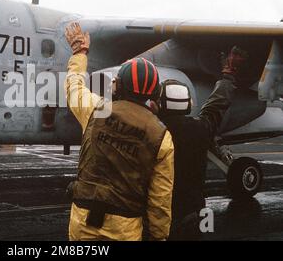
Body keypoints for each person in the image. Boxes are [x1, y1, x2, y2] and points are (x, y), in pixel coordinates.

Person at [65, 22, 174, 241]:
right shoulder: (161, 136)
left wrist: (80, 53)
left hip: (82, 221)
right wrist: (159, 234)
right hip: (124, 228)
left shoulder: (97, 110)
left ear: (119, 86)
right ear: (155, 92)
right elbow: (160, 197)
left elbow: (74, 88)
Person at [157, 46, 248, 240]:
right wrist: (228, 75)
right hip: (195, 212)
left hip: (161, 213)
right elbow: (216, 106)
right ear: (188, 104)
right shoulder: (201, 129)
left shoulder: (152, 131)